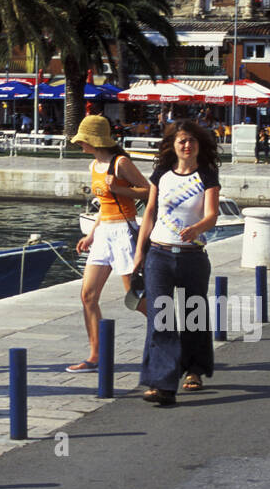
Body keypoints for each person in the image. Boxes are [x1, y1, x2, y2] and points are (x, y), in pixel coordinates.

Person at [132, 120, 221, 406]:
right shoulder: (160, 175)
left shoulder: (207, 175)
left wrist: (198, 228)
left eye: (192, 140)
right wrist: (139, 253)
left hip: (193, 255)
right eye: (181, 140)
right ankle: (162, 383)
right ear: (172, 145)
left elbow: (212, 214)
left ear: (199, 144)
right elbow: (149, 214)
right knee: (162, 317)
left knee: (193, 314)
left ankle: (195, 369)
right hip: (159, 253)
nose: (187, 145)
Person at [67, 116, 151, 373]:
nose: (79, 144)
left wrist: (121, 190)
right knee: (88, 296)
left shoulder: (121, 163)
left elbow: (148, 191)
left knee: (135, 298)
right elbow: (104, 206)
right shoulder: (94, 165)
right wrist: (92, 234)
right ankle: (96, 355)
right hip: (104, 233)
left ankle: (170, 332)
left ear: (92, 140)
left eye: (82, 140)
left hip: (124, 233)